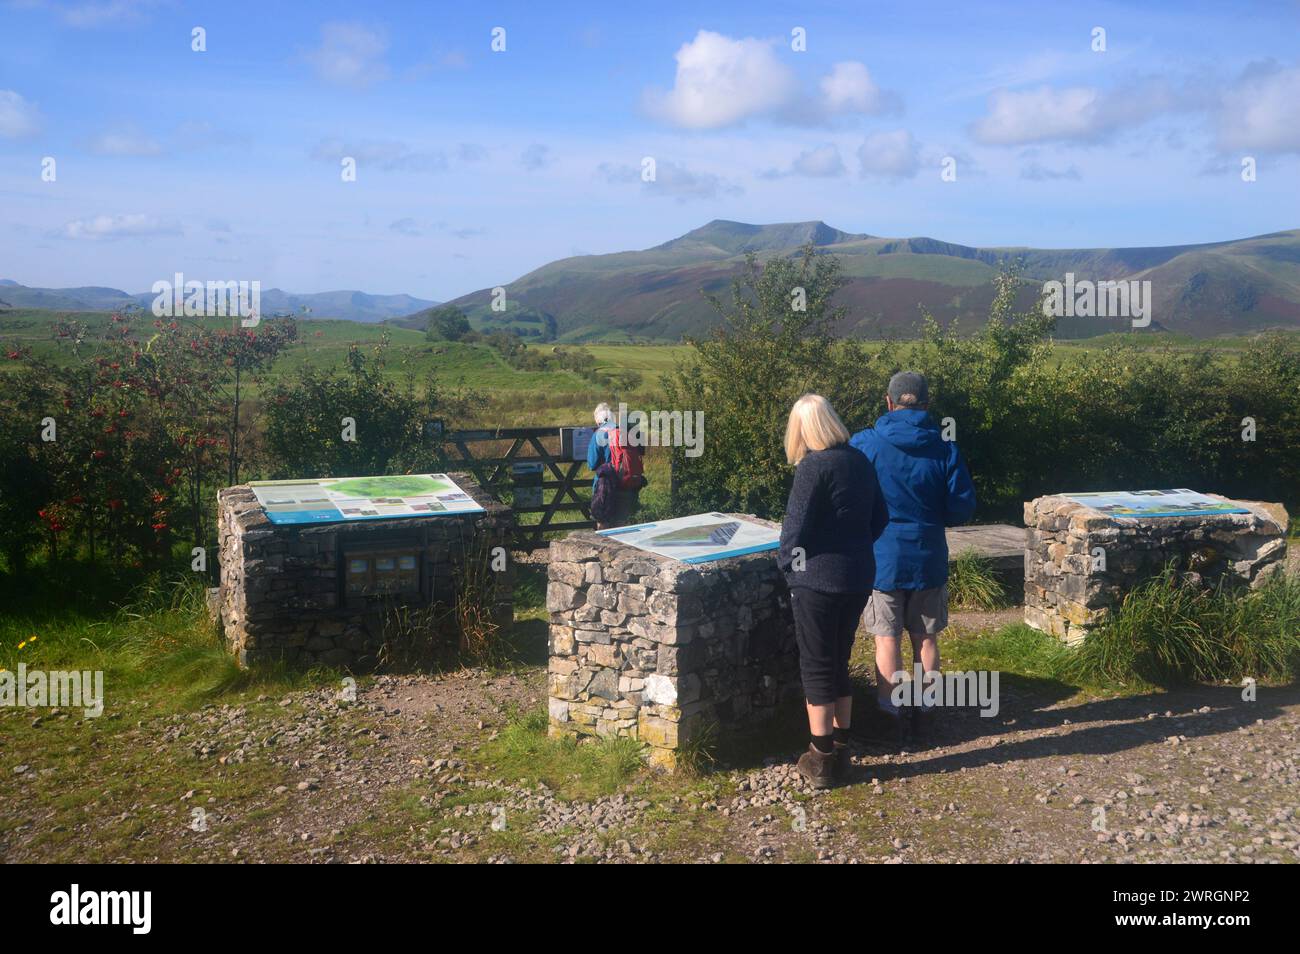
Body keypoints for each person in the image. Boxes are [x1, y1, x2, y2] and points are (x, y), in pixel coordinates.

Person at [849, 371, 976, 745]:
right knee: (926, 637)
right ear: (925, 404)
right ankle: (925, 713)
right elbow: (961, 508)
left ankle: (890, 718)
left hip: (882, 558)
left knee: (886, 640)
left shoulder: (865, 444)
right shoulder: (946, 448)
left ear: (888, 403)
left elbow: (850, 499)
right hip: (928, 556)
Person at [778, 394, 888, 788]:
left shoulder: (813, 466)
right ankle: (841, 748)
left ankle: (820, 757)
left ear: (802, 429)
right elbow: (881, 517)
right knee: (839, 659)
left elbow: (795, 528)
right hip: (857, 574)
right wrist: (853, 545)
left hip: (817, 581)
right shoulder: (858, 460)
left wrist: (787, 567)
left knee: (816, 665)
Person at [586, 402, 643, 529]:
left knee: (603, 524)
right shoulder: (626, 432)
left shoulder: (599, 434)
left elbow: (592, 464)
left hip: (605, 486)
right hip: (627, 484)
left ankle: (603, 549)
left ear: (598, 420)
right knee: (621, 526)